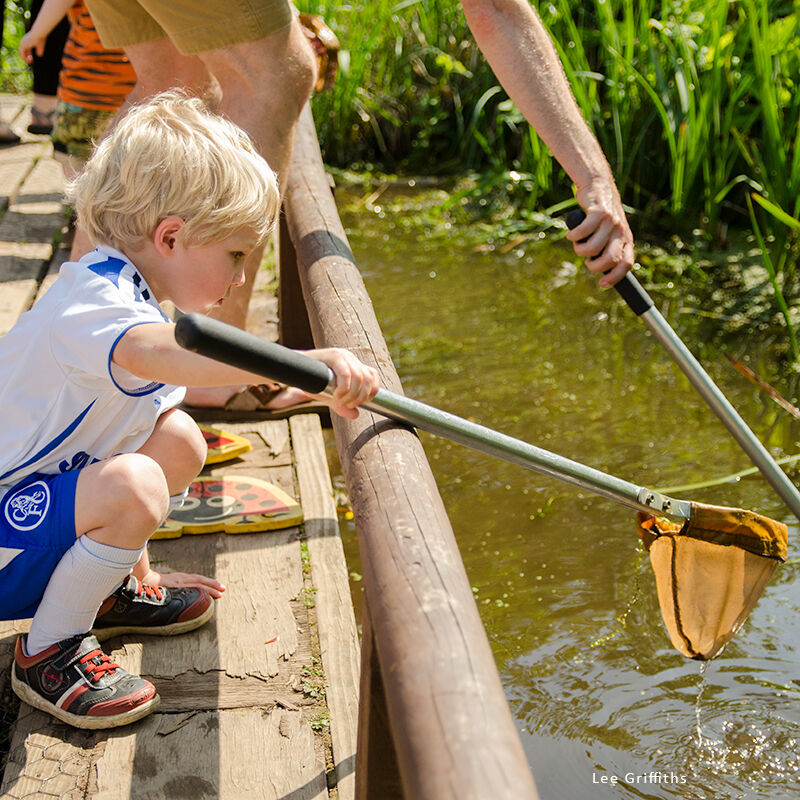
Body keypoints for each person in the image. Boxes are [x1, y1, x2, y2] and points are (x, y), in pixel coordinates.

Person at [2, 92, 381, 729]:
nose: (240, 280)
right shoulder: (94, 305)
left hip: (22, 517)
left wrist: (131, 559)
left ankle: (109, 589)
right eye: (235, 255)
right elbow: (159, 354)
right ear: (171, 236)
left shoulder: (125, 288)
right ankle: (48, 648)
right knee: (137, 480)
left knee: (175, 438)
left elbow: (121, 428)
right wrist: (305, 367)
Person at [19, 0, 136, 257]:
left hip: (86, 91)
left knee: (76, 158)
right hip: (132, 89)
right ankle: (113, 224)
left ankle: (88, 222)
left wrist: (37, 32)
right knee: (129, 161)